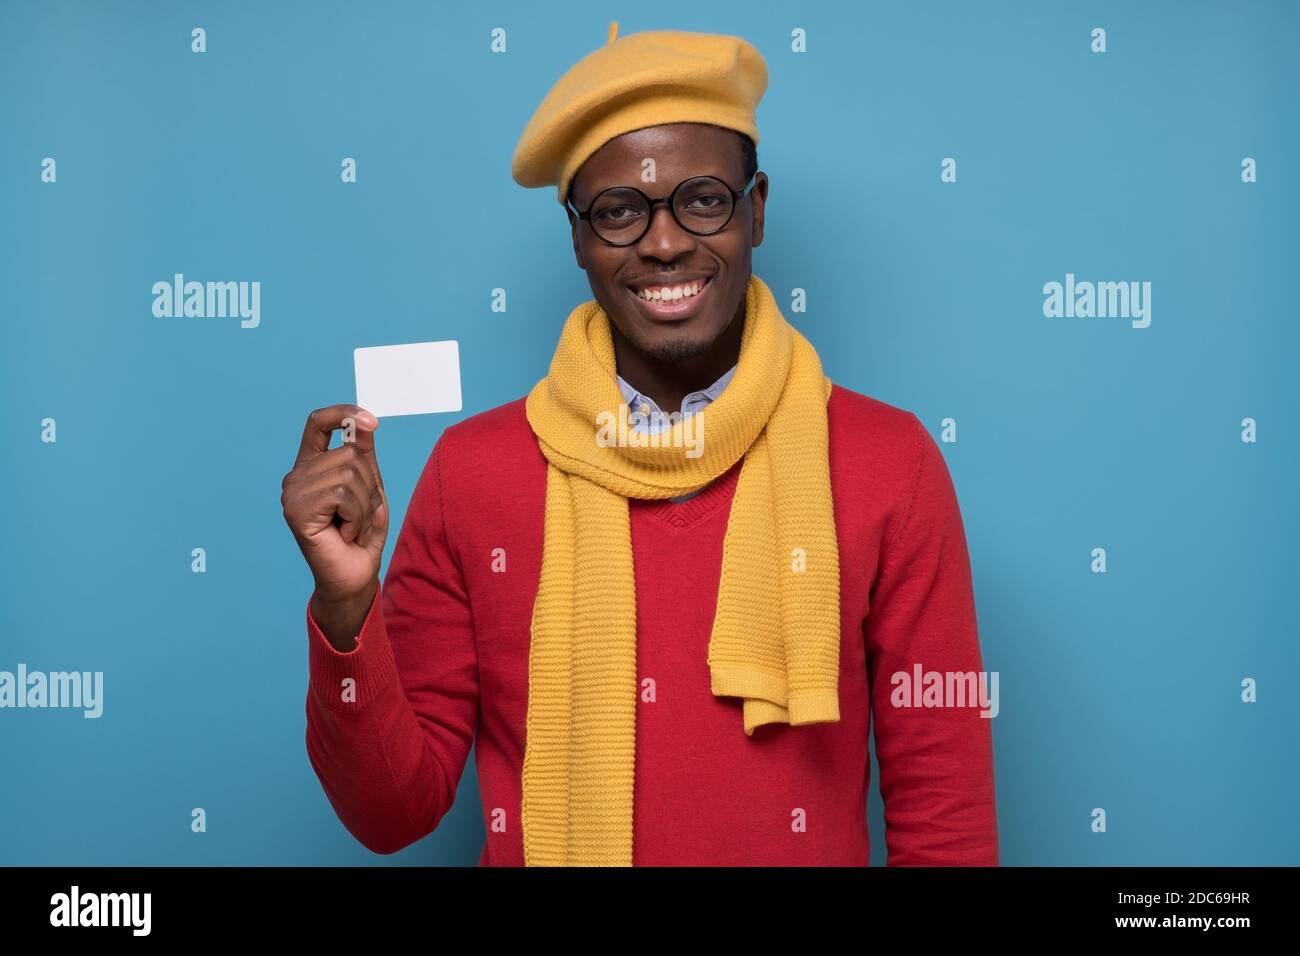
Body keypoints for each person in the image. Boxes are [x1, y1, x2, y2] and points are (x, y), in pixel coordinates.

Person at [281, 23, 998, 866]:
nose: (664, 243)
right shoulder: (472, 473)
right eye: (620, 212)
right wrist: (344, 608)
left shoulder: (888, 462)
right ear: (577, 236)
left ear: (756, 211)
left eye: (702, 198)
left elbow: (944, 816)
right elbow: (390, 814)